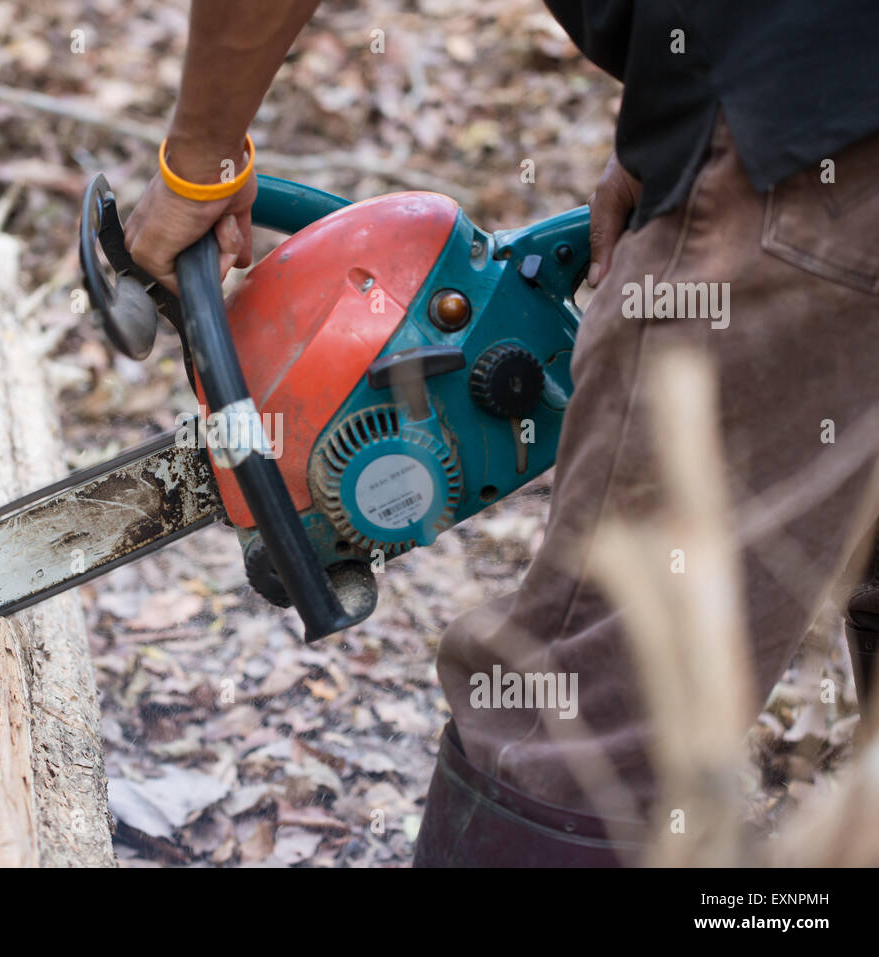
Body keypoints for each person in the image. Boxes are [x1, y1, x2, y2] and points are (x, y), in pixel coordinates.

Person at [125, 1, 879, 866]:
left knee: (572, 722)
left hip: (813, 137)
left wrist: (199, 164)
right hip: (812, 99)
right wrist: (667, 132)